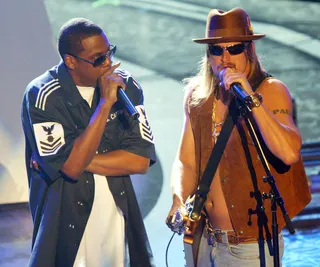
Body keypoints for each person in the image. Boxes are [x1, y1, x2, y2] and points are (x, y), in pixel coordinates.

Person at [166, 8, 311, 267]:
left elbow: (289, 152)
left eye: (234, 49)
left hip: (249, 246)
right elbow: (186, 161)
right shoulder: (197, 96)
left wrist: (250, 98)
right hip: (204, 238)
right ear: (208, 55)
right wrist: (178, 200)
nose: (225, 57)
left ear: (249, 50)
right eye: (216, 50)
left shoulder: (270, 90)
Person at [21, 18, 156, 267]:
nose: (108, 64)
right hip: (65, 218)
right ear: (70, 61)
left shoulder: (127, 87)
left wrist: (77, 158)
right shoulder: (42, 95)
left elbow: (140, 161)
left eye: (109, 53)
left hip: (114, 219)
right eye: (97, 59)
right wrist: (104, 104)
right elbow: (71, 170)